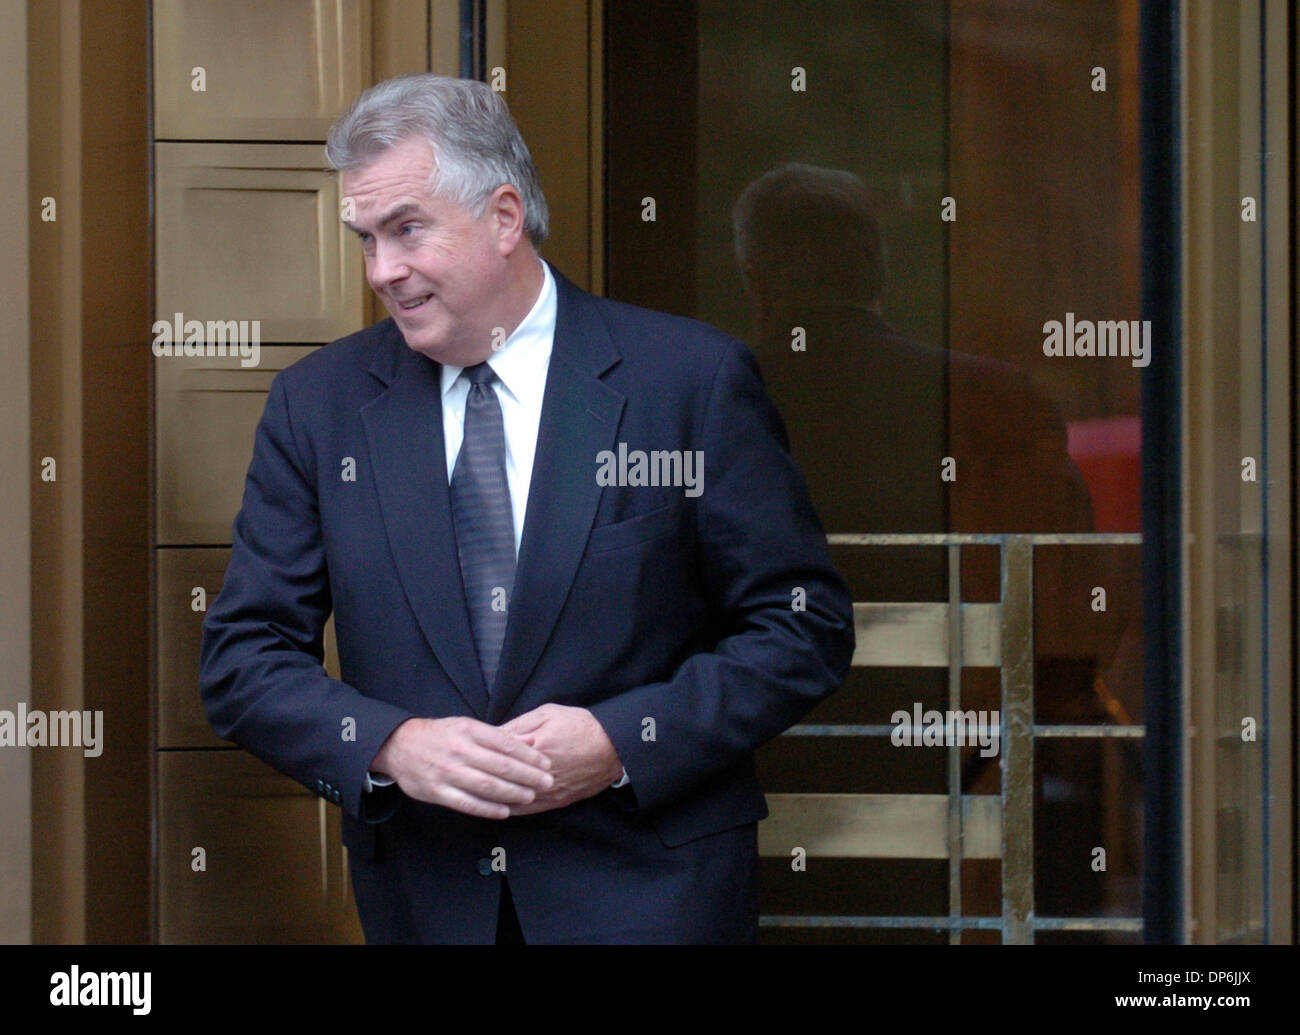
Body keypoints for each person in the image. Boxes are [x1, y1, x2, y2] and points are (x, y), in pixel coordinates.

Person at [198, 76, 855, 944]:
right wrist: (393, 745)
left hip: (653, 896)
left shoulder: (687, 382)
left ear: (504, 218)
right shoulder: (316, 407)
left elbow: (801, 628)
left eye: (406, 229)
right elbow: (242, 659)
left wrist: (624, 739)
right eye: (366, 240)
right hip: (428, 903)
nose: (381, 271)